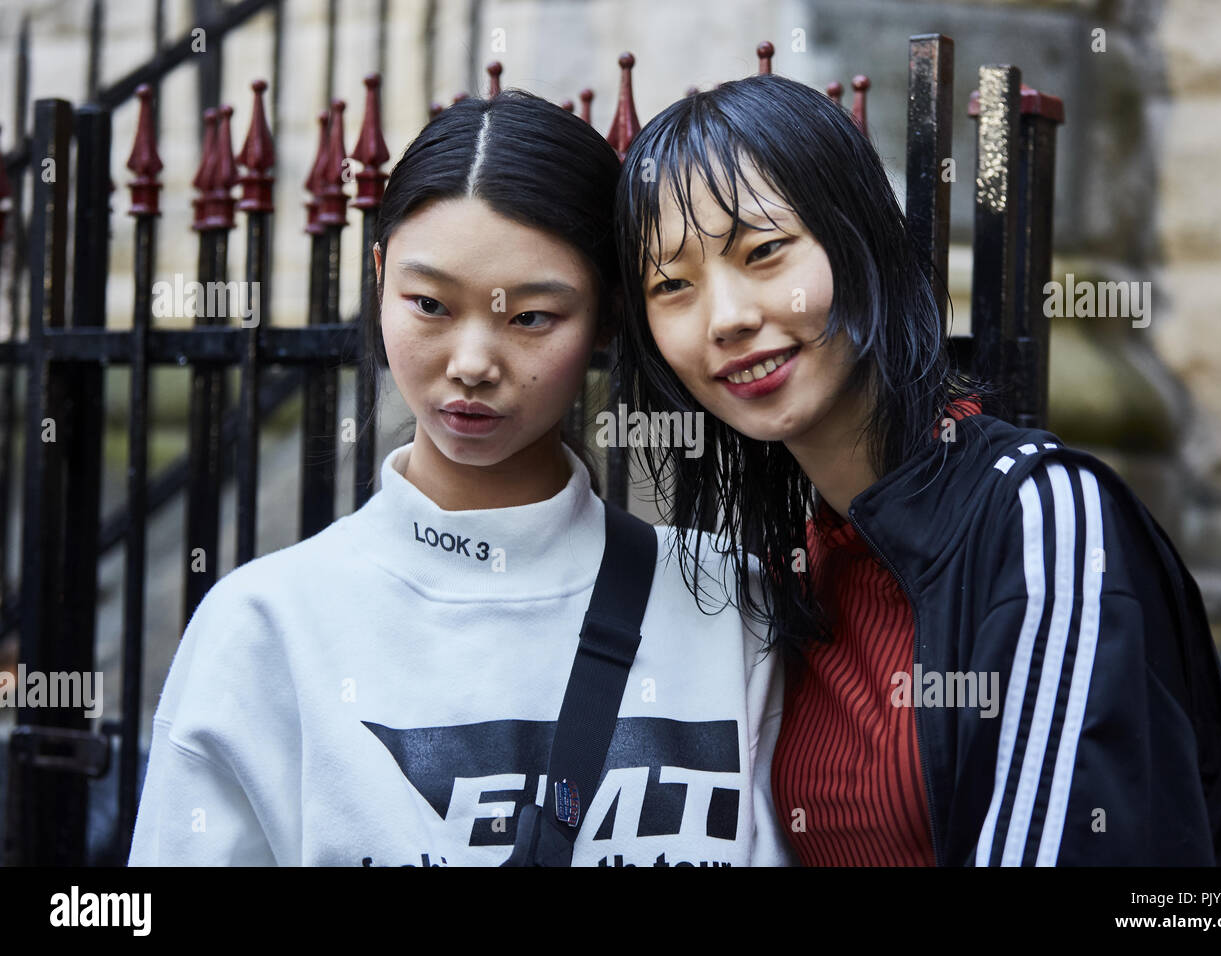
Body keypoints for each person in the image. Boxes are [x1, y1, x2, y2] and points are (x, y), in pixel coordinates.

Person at [611, 72, 1221, 865]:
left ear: (859, 238)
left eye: (764, 252)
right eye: (672, 286)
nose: (726, 317)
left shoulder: (1041, 518)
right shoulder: (795, 571)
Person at [128, 90, 794, 867]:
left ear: (610, 316)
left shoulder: (725, 609)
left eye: (531, 318)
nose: (473, 363)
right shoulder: (265, 629)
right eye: (430, 305)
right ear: (379, 278)